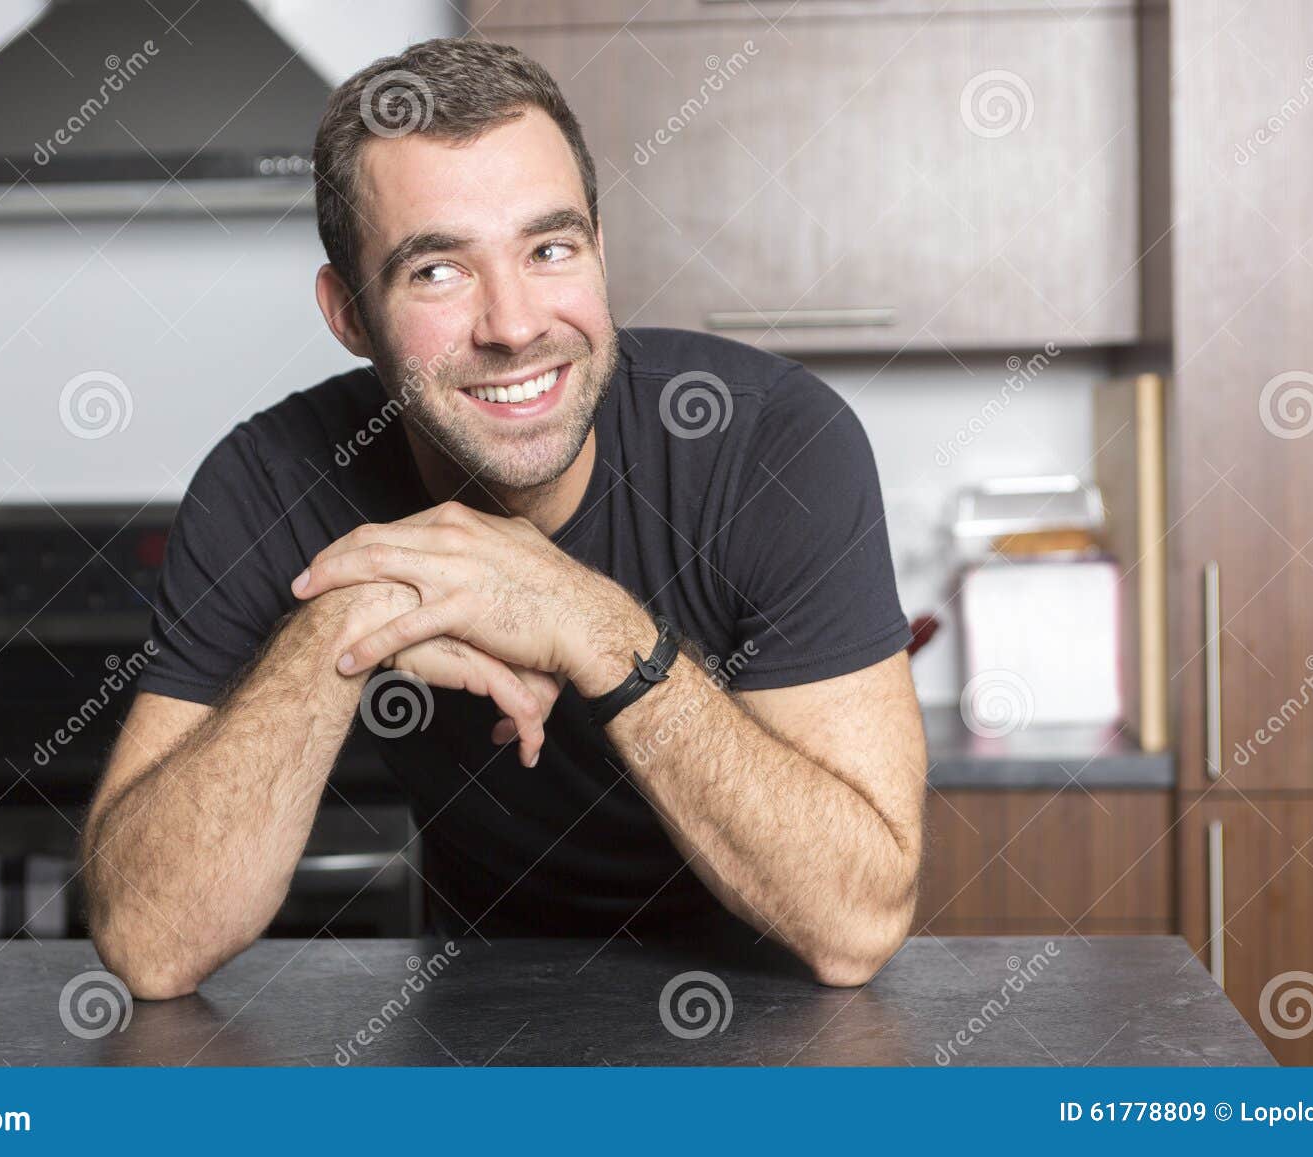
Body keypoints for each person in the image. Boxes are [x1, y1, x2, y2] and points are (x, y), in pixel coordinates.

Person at [81, 37, 927, 1000]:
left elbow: (854, 925)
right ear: (349, 312)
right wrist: (336, 630)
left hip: (780, 1023)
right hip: (474, 1009)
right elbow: (150, 943)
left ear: (601, 253)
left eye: (550, 248)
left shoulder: (774, 442)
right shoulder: (267, 480)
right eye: (437, 271)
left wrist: (585, 621)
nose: (515, 324)